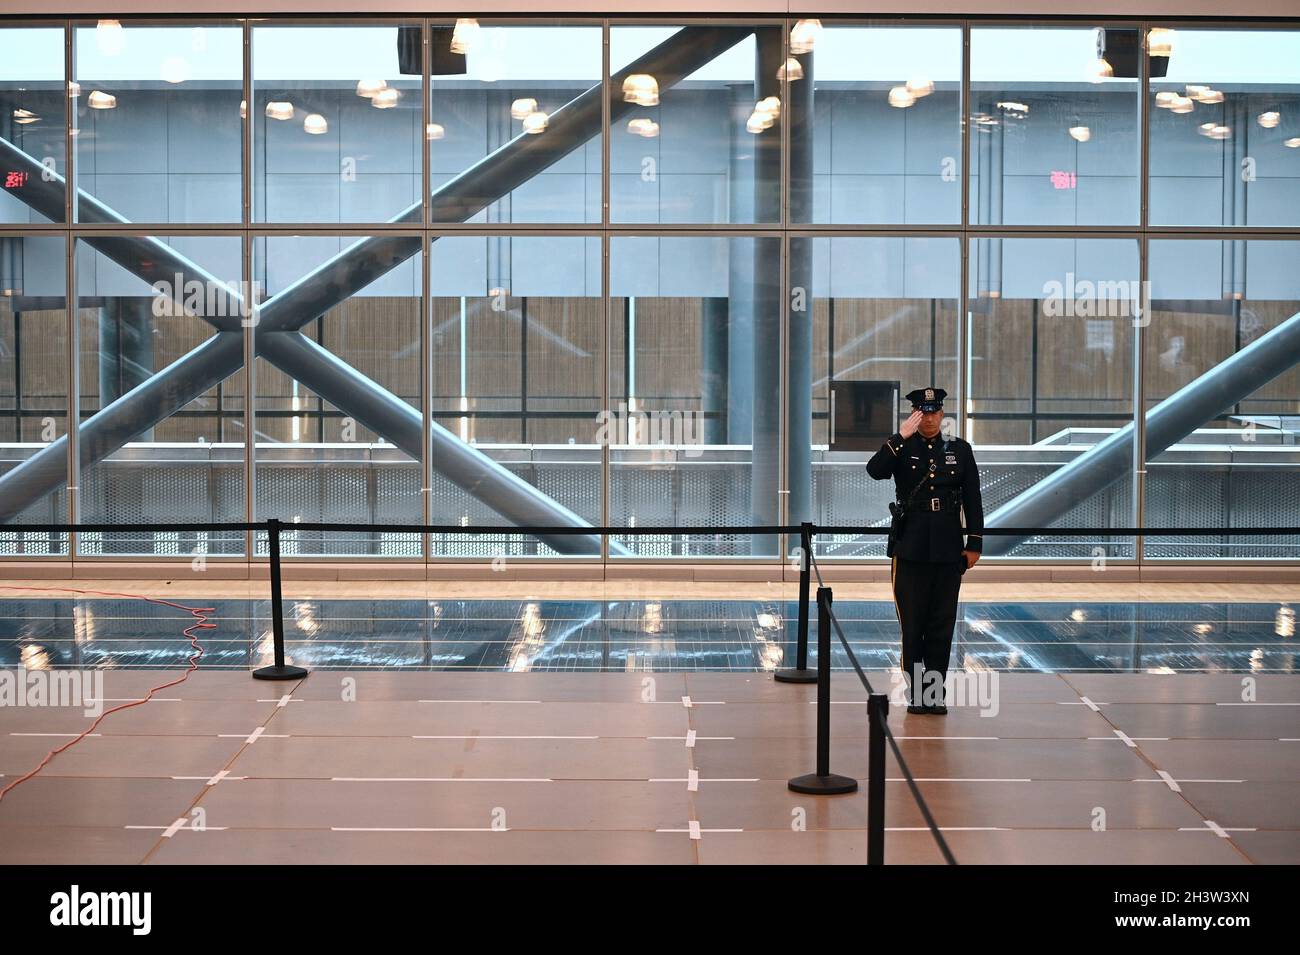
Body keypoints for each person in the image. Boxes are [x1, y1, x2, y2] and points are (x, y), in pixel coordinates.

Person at [866, 388, 983, 714]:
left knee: (941, 625)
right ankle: (917, 693)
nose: (928, 417)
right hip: (911, 548)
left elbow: (973, 498)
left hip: (948, 549)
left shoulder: (959, 450)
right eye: (922, 412)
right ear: (914, 414)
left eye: (933, 412)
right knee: (913, 626)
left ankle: (935, 694)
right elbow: (875, 470)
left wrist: (973, 542)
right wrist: (899, 436)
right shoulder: (903, 447)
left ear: (942, 414)